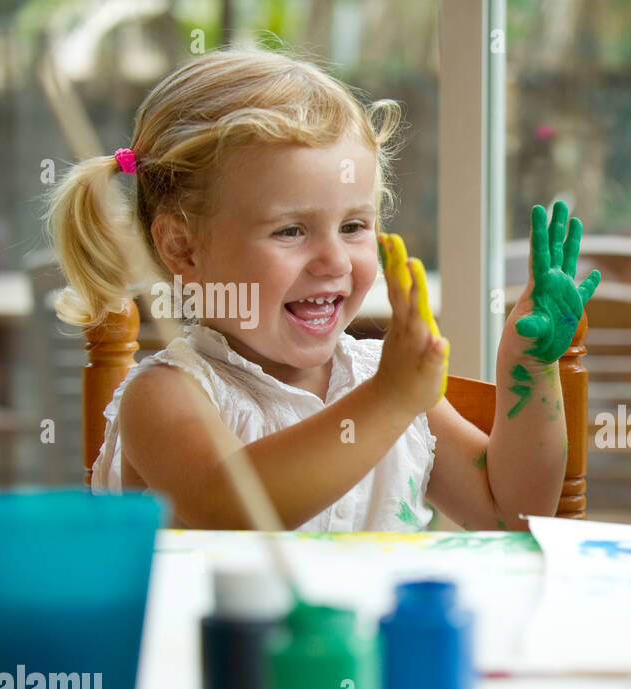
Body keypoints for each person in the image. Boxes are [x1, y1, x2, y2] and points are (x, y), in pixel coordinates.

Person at [48, 48, 597, 531]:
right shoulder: (169, 395)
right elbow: (233, 510)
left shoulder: (390, 384)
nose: (334, 259)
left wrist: (528, 367)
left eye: (354, 226)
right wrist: (388, 399)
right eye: (291, 230)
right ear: (182, 248)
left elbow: (514, 513)